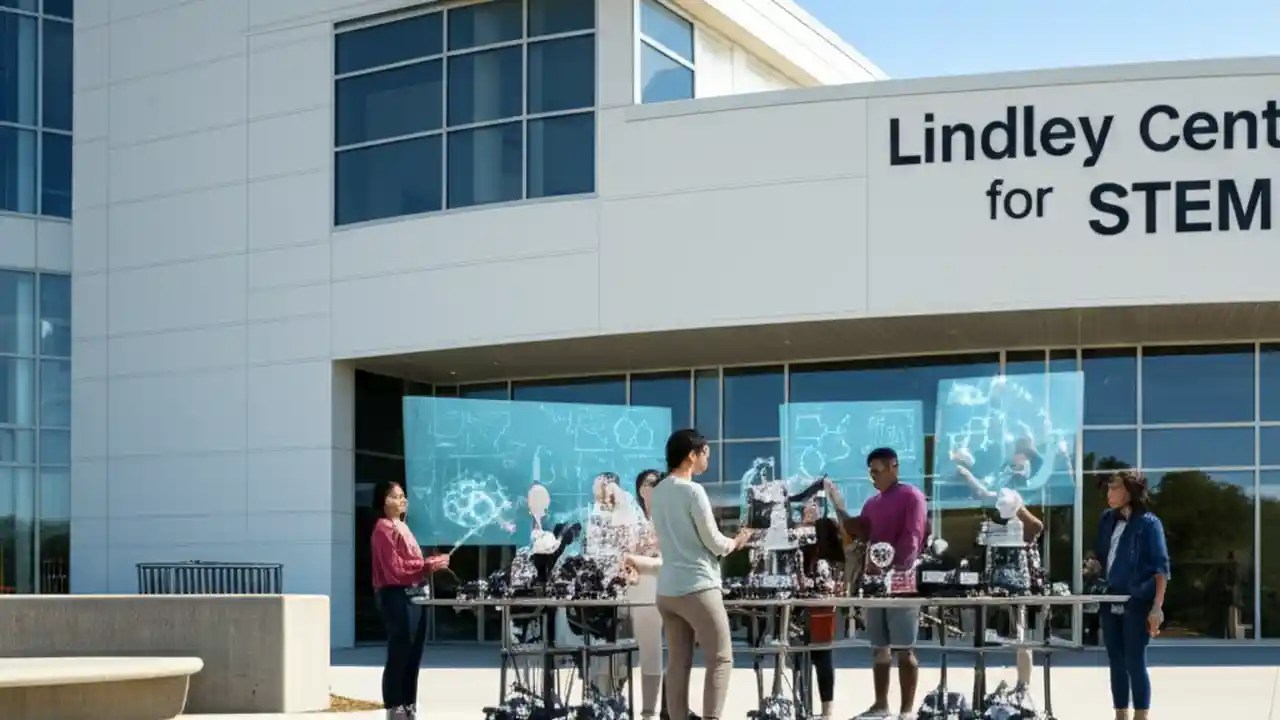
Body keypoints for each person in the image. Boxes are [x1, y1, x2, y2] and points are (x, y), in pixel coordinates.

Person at [649, 429, 752, 720]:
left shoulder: (658, 492)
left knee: (678, 662)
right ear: (692, 455)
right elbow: (713, 541)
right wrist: (736, 541)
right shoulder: (693, 490)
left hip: (667, 589)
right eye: (705, 452)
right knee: (721, 658)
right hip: (697, 586)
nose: (708, 458)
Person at [829, 448, 927, 720]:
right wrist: (837, 505)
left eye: (877, 470)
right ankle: (881, 704)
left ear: (893, 467)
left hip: (902, 579)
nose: (872, 476)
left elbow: (913, 537)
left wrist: (896, 570)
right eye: (870, 472)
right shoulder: (872, 504)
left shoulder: (912, 496)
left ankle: (906, 711)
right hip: (873, 581)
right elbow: (856, 530)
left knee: (904, 648)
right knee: (879, 648)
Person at [952, 456, 1045, 687]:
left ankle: (1022, 684)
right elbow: (984, 494)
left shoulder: (1012, 497)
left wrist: (966, 474)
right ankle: (988, 682)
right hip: (996, 568)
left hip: (1012, 570)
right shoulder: (1002, 498)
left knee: (1019, 631)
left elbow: (1036, 527)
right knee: (996, 628)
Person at [1087, 470, 1170, 720]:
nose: (1109, 494)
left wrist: (1157, 607)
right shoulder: (1106, 519)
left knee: (1134, 659)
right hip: (1110, 598)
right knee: (1115, 659)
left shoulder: (1149, 523)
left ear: (1130, 492)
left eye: (1114, 489)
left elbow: (1160, 568)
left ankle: (1141, 715)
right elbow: (1100, 553)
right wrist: (1092, 564)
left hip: (1137, 601)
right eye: (1108, 489)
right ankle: (1120, 713)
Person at [370, 480, 450, 720]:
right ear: (384, 500)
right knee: (400, 652)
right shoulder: (383, 528)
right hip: (397, 596)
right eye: (396, 496)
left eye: (404, 496)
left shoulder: (402, 526)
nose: (403, 500)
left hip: (417, 596)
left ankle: (409, 705)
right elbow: (395, 569)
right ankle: (395, 706)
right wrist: (430, 564)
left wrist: (430, 565)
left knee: (414, 654)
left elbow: (409, 563)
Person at [795, 500, 846, 719]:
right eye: (807, 505)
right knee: (797, 654)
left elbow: (841, 555)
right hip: (797, 598)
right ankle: (801, 706)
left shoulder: (829, 528)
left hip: (822, 599)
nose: (811, 508)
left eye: (816, 503)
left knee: (822, 655)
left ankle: (827, 711)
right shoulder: (794, 532)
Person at [624, 469, 668, 720]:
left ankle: (655, 711)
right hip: (635, 587)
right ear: (641, 490)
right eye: (651, 484)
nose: (655, 488)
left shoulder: (669, 519)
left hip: (663, 585)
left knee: (658, 650)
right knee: (637, 649)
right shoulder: (631, 519)